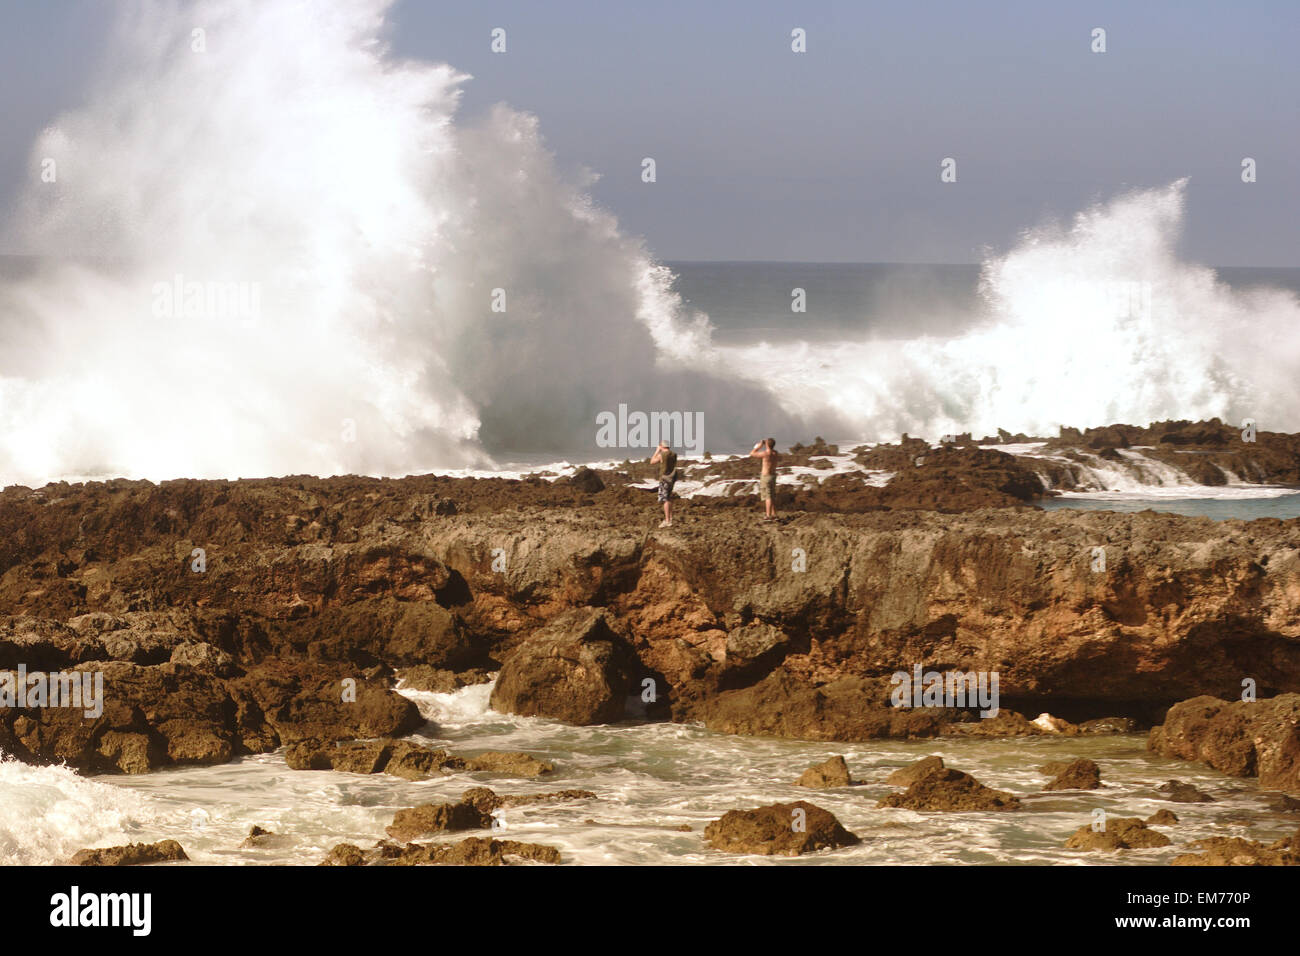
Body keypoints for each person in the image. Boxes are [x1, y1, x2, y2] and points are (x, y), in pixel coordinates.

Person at [649, 439, 678, 527]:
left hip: (664, 478)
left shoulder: (662, 455)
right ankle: (670, 518)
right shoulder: (674, 454)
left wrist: (657, 451)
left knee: (665, 499)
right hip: (672, 478)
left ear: (662, 446)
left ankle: (667, 520)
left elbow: (652, 461)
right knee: (669, 498)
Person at [749, 437, 779, 519]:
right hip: (773, 476)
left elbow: (752, 453)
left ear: (767, 445)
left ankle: (768, 515)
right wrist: (766, 444)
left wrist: (759, 446)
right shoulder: (775, 453)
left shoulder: (766, 454)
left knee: (768, 497)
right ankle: (774, 514)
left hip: (766, 477)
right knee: (772, 496)